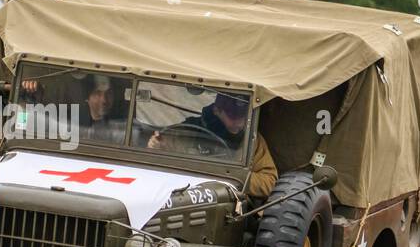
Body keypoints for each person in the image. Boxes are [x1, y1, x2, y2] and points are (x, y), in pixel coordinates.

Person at [148, 91, 277, 199]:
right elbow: (155, 159)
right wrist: (156, 148)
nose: (240, 123)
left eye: (243, 116)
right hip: (183, 197)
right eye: (233, 116)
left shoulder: (252, 140)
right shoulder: (187, 131)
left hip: (232, 207)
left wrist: (235, 176)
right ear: (216, 110)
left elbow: (269, 181)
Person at [80, 73, 127, 144]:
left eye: (109, 93)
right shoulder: (72, 123)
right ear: (87, 97)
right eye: (98, 93)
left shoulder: (124, 126)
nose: (104, 100)